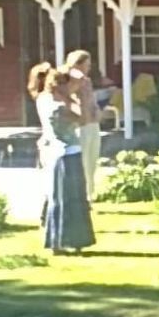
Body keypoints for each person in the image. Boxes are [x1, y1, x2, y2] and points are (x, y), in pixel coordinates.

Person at [32, 63, 95, 254]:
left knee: (56, 198)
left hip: (53, 154)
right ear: (61, 86)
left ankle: (56, 241)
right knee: (73, 199)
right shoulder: (59, 108)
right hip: (68, 154)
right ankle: (72, 240)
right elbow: (84, 119)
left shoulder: (42, 100)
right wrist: (82, 97)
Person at [62, 50, 102, 199]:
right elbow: (67, 98)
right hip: (79, 124)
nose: (88, 67)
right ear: (77, 64)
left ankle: (90, 195)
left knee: (92, 160)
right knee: (83, 160)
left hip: (92, 123)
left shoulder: (87, 80)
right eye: (86, 64)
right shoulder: (68, 80)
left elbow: (91, 99)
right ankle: (81, 195)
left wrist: (97, 110)